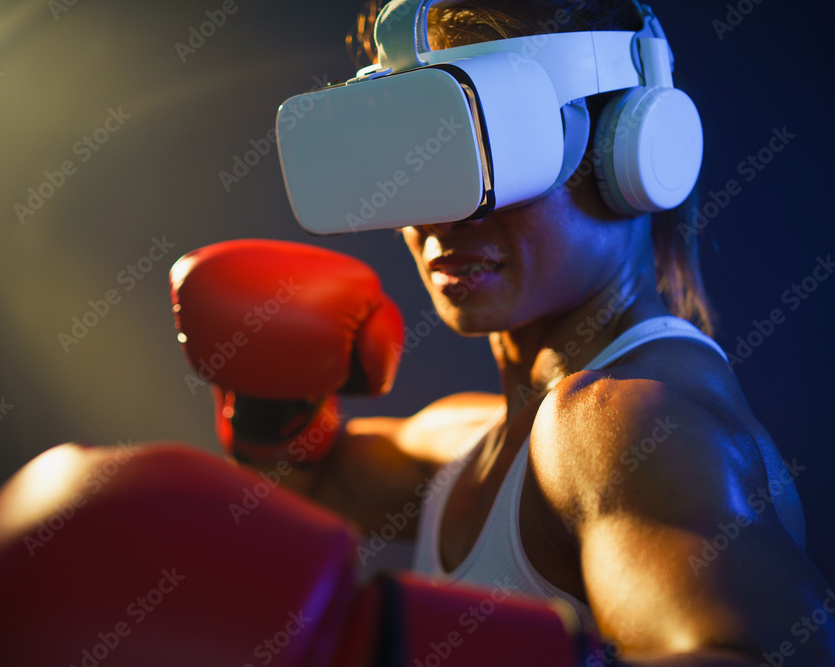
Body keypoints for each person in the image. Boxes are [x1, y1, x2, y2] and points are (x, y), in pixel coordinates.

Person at [170, 1, 835, 665]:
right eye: (415, 155)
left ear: (628, 153)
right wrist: (272, 403)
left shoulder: (622, 423)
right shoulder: (468, 438)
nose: (439, 216)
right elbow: (307, 481)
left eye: (495, 146)